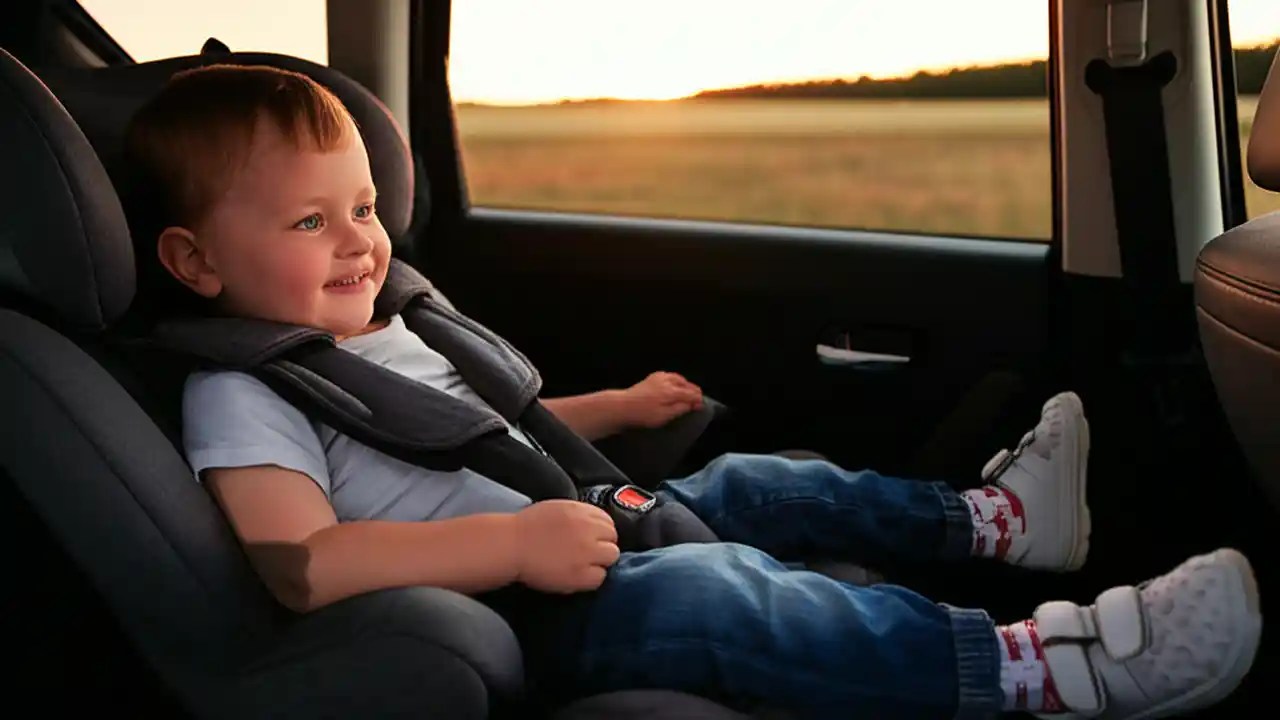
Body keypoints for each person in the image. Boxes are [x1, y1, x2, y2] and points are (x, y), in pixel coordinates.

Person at [123, 63, 1262, 719]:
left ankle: (999, 522)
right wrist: (510, 550)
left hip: (576, 534)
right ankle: (1039, 669)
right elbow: (301, 561)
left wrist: (610, 408)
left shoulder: (387, 327)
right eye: (308, 222)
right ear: (196, 263)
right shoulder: (246, 395)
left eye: (363, 207)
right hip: (516, 611)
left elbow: (477, 436)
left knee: (756, 482)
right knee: (711, 590)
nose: (357, 242)